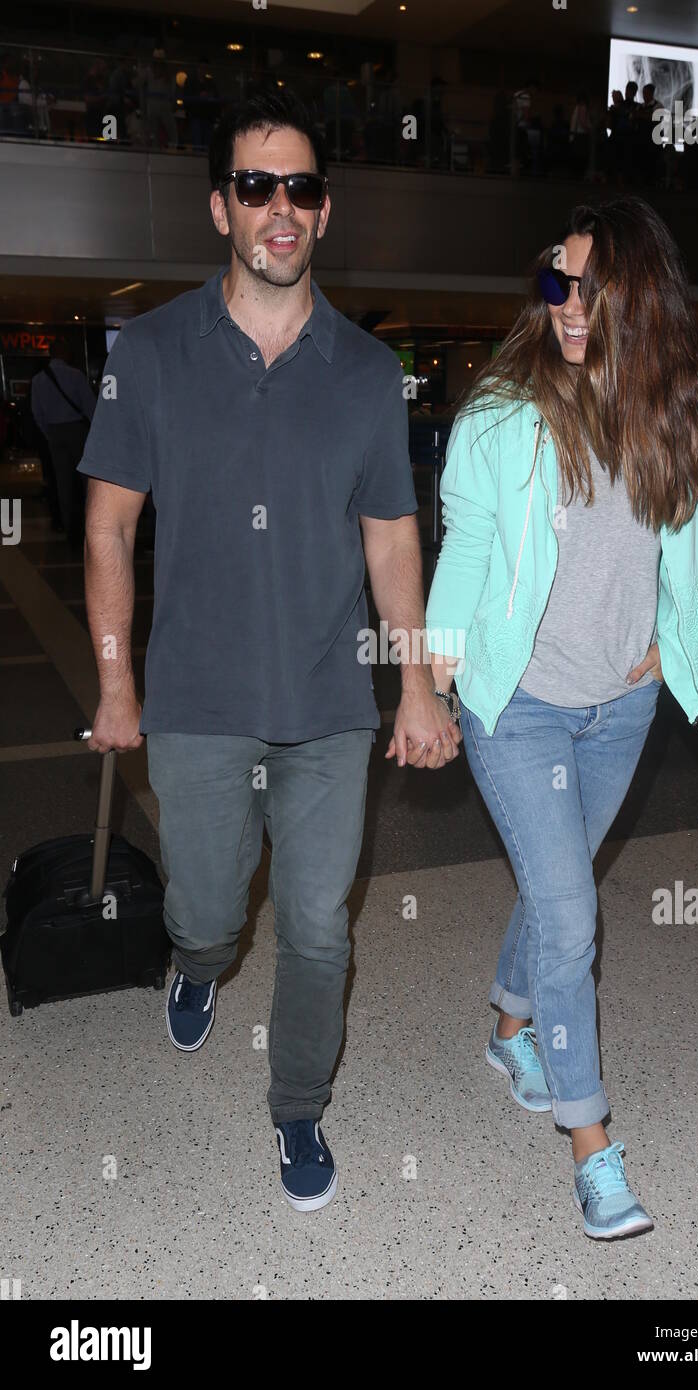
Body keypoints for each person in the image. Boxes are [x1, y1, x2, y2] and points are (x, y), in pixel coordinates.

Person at [77, 82, 459, 1215]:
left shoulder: (366, 372)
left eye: (299, 187)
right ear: (220, 207)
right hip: (195, 701)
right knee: (205, 909)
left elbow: (390, 533)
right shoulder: (147, 352)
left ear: (324, 212)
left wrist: (418, 681)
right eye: (257, 186)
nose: (279, 207)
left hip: (328, 706)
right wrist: (114, 680)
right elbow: (107, 523)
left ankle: (298, 1107)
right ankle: (193, 963)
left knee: (317, 925)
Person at [424, 196, 698, 1240]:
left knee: (560, 891)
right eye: (555, 280)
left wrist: (675, 625)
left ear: (638, 295)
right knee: (572, 913)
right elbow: (464, 541)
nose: (565, 304)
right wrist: (438, 666)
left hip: (624, 703)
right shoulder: (506, 411)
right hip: (517, 705)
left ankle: (508, 1025)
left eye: (589, 287)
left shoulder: (680, 406)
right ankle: (593, 1147)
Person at [30, 337, 97, 542]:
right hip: (76, 430)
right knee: (86, 479)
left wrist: (49, 433)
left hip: (54, 432)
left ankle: (69, 528)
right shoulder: (75, 375)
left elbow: (37, 412)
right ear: (65, 354)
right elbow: (90, 407)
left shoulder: (38, 380)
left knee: (62, 481)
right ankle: (91, 524)